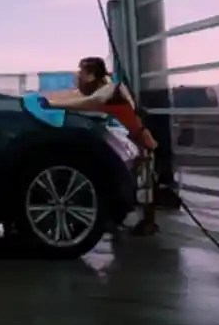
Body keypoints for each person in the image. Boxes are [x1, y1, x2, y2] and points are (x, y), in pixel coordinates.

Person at [44, 57, 160, 234]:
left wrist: (52, 104)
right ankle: (120, 219)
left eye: (81, 72)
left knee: (142, 185)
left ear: (91, 75)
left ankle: (147, 223)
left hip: (135, 142)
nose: (78, 76)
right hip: (125, 143)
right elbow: (77, 97)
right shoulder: (103, 89)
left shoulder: (110, 89)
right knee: (130, 183)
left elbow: (90, 103)